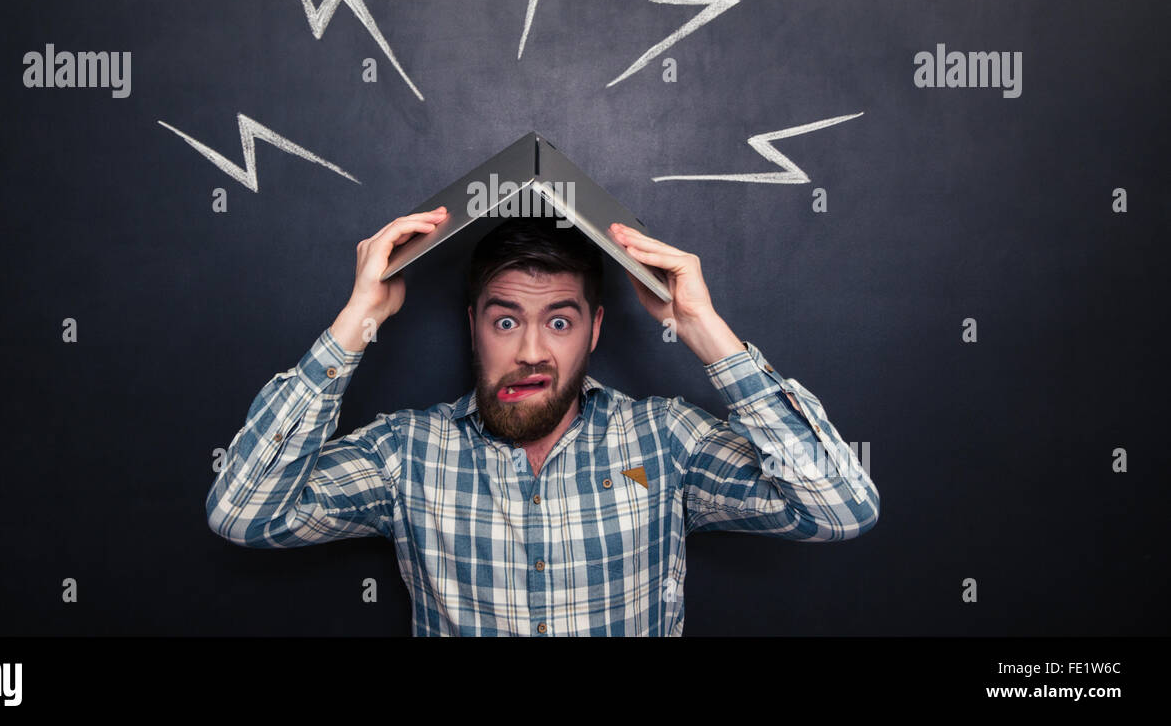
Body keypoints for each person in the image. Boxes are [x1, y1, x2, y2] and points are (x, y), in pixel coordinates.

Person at [205, 206, 879, 635]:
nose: (531, 351)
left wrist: (701, 329)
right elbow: (243, 512)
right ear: (473, 328)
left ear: (594, 331)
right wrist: (356, 323)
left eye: (559, 321)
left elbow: (840, 507)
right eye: (506, 320)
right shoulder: (405, 452)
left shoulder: (666, 440)